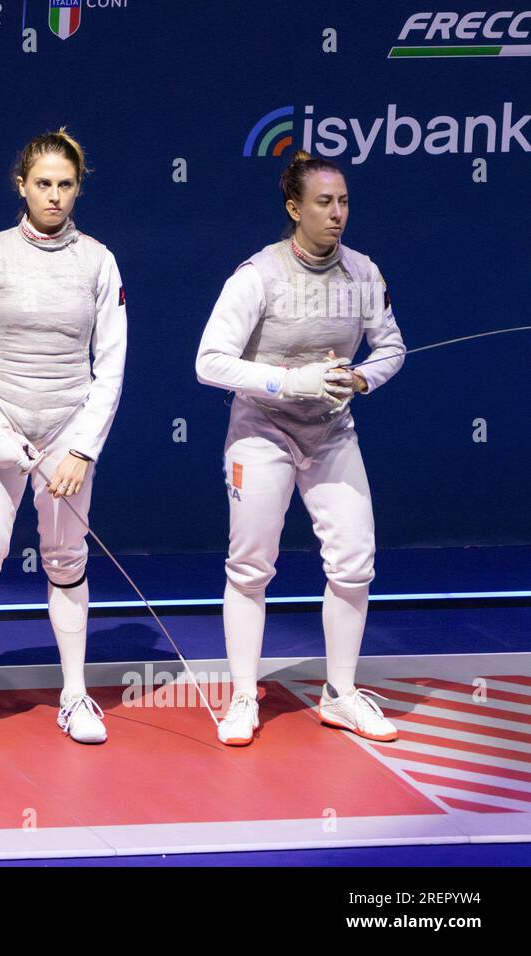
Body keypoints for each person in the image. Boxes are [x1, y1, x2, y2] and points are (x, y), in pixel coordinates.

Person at [196, 150, 405, 747]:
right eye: (323, 202)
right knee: (251, 566)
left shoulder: (364, 274)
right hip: (261, 432)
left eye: (342, 201)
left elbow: (391, 347)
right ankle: (242, 697)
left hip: (332, 432)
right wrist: (291, 381)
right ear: (294, 209)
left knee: (354, 561)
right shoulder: (258, 275)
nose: (337, 213)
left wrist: (361, 378)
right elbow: (209, 362)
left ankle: (341, 694)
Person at [0, 129, 127, 746]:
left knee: (67, 560)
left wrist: (83, 447)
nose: (56, 196)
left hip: (67, 431)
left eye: (66, 185)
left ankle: (74, 696)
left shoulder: (98, 260)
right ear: (22, 185)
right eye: (44, 184)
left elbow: (111, 363)